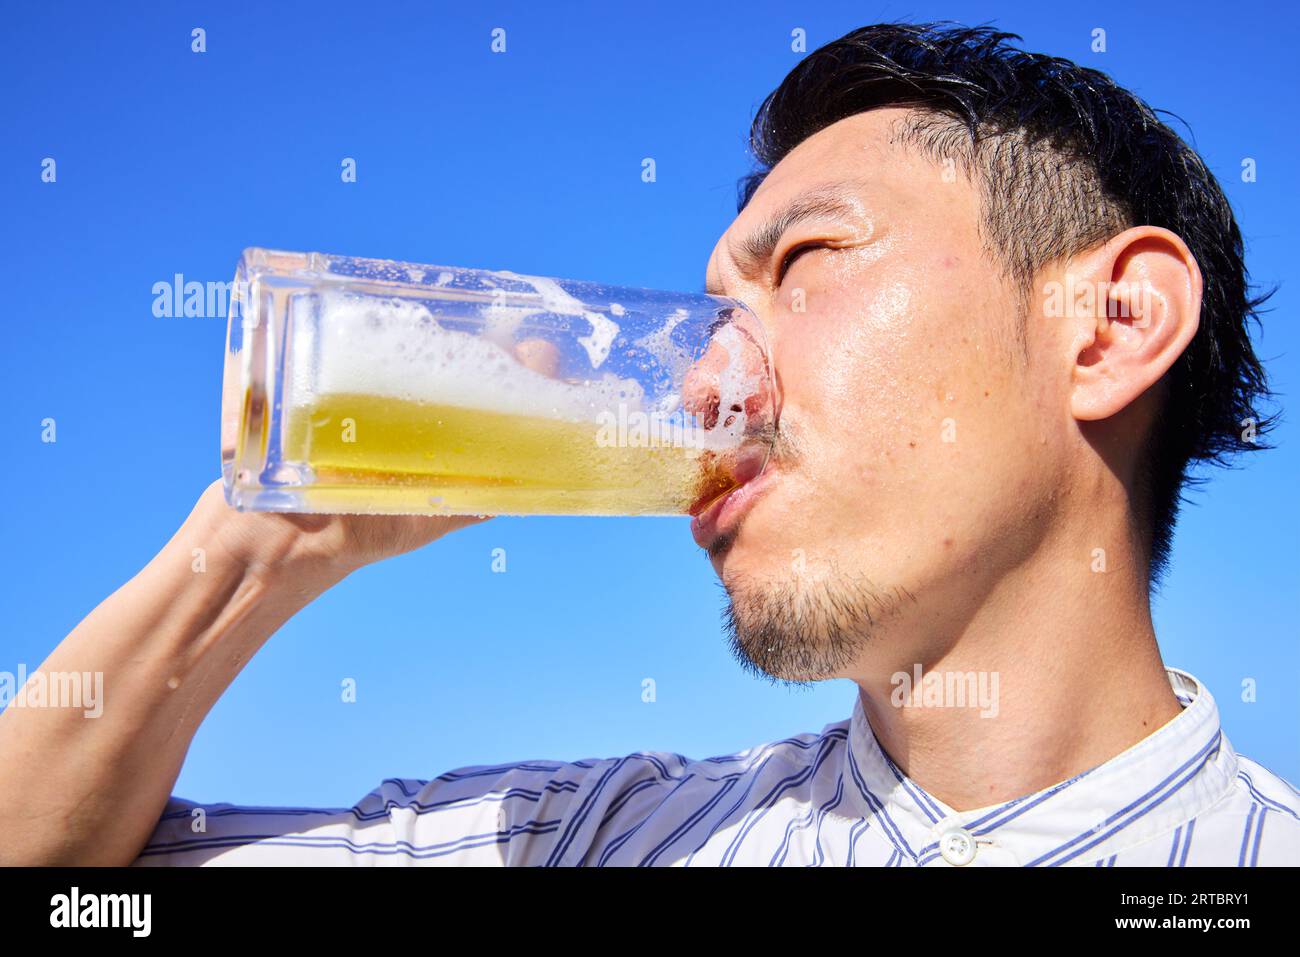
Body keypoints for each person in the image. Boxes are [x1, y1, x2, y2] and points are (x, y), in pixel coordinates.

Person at [2, 22, 1295, 867]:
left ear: (1113, 323)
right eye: (710, 319)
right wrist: (257, 549)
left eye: (804, 263)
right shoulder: (587, 838)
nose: (704, 389)